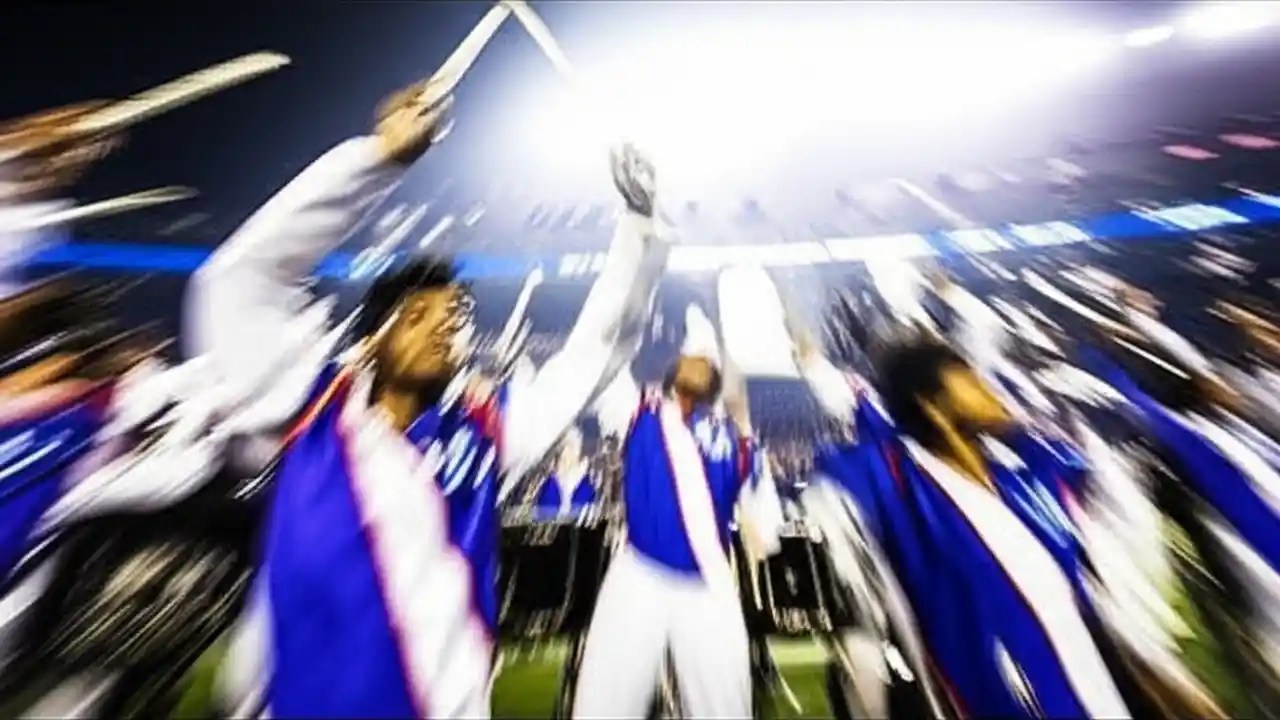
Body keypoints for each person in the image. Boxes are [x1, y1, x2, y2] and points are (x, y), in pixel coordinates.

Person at [190, 79, 669, 719]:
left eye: (458, 314)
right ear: (369, 342)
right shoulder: (306, 405)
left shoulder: (487, 430)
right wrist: (377, 160)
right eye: (419, 314)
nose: (447, 324)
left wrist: (638, 229)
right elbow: (238, 280)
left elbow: (598, 351)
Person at [785, 295, 1130, 718]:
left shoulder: (1020, 479)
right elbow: (838, 458)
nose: (987, 387)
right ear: (931, 403)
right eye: (967, 378)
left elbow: (1080, 470)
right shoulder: (897, 481)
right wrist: (806, 352)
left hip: (1095, 695)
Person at [571, 304, 782, 719]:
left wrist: (761, 528)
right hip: (639, 574)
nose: (699, 363)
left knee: (724, 707)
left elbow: (763, 514)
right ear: (672, 371)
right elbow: (602, 362)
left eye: (707, 361)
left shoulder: (735, 441)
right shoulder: (638, 411)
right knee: (604, 703)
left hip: (707, 584)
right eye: (691, 357)